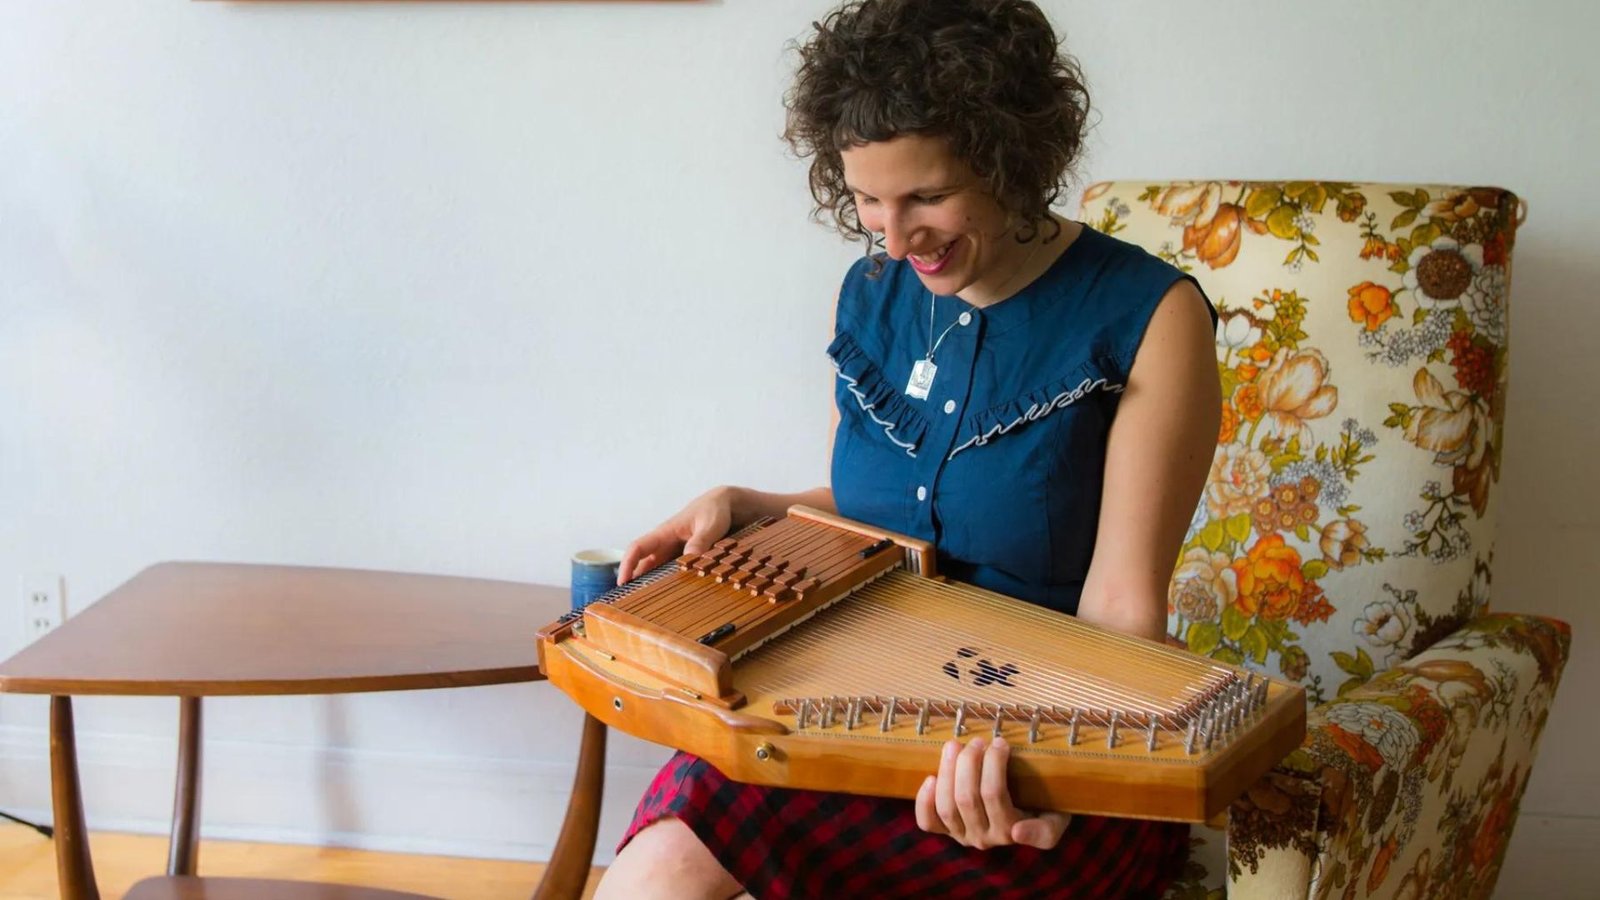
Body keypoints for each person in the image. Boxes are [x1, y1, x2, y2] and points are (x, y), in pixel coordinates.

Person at [595, 1, 1220, 897]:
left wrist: (1052, 776)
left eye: (928, 196)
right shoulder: (876, 290)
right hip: (864, 718)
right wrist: (755, 505)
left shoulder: (1150, 317)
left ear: (1012, 158)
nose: (894, 238)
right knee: (690, 821)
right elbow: (889, 515)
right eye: (866, 201)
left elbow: (1124, 609)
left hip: (1049, 764)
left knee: (693, 834)